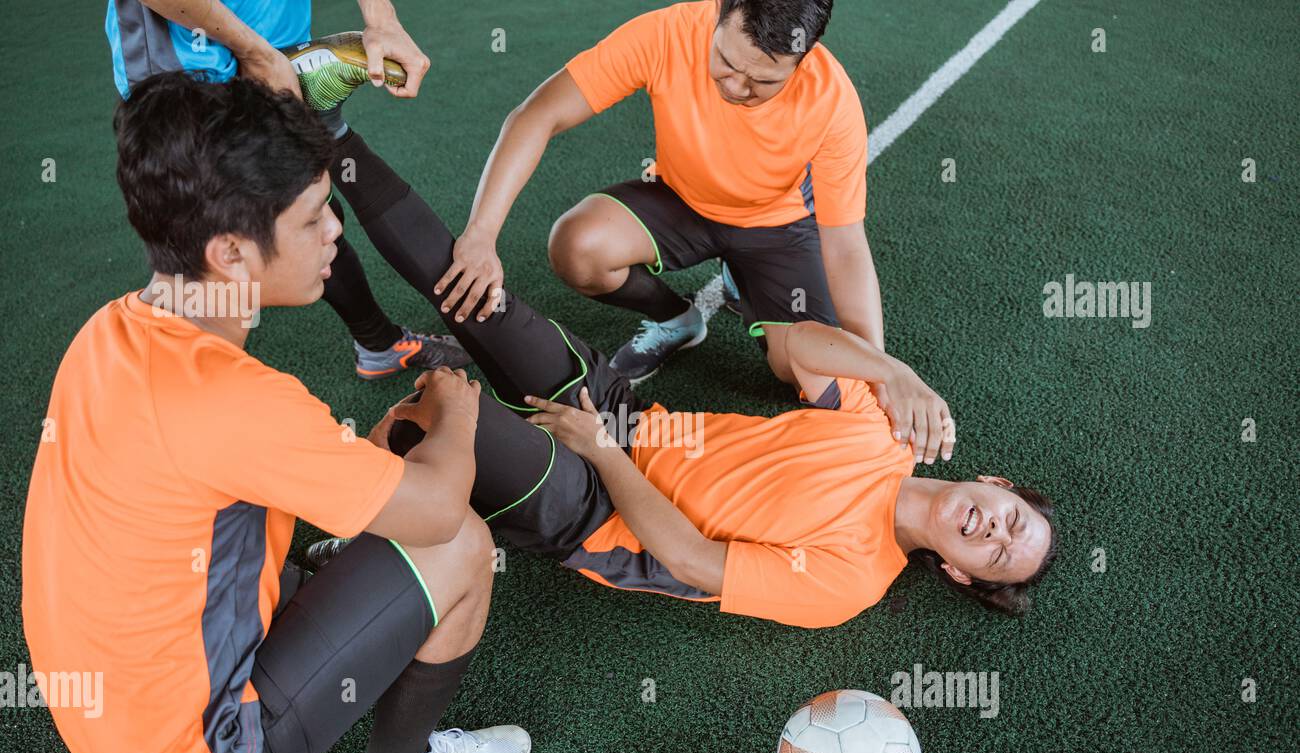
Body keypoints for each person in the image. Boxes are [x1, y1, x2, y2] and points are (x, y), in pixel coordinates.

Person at [21, 73, 529, 753]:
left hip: (110, 723)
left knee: (349, 478)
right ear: (228, 252)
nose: (334, 232)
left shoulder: (106, 332)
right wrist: (458, 409)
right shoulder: (237, 402)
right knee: (459, 543)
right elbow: (431, 513)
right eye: (312, 216)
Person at [303, 137, 1059, 625]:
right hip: (627, 417)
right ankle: (332, 131)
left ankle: (354, 537)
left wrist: (601, 455)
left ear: (958, 575)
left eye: (995, 554)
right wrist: (892, 369)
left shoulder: (851, 583)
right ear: (995, 483)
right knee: (471, 291)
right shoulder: (887, 429)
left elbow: (692, 561)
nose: (992, 531)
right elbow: (796, 342)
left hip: (596, 511)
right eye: (1010, 520)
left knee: (445, 414)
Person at [438, 0, 886, 385]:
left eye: (762, 82)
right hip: (681, 198)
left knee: (808, 372)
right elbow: (538, 114)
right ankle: (676, 318)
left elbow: (846, 246)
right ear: (720, 11)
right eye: (726, 63)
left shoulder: (833, 101)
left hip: (776, 225)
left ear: (804, 57)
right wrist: (481, 233)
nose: (734, 86)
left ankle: (742, 275)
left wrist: (879, 368)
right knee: (577, 247)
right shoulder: (667, 32)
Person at [105, 0, 471, 378]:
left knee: (309, 211)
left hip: (277, 46)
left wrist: (381, 19)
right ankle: (196, 391)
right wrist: (255, 53)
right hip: (192, 67)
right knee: (208, 247)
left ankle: (376, 342)